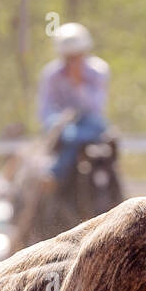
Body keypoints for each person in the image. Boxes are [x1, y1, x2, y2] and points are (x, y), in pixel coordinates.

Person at [37, 22, 110, 185]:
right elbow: (45, 107)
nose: (72, 62)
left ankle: (55, 174)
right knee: (68, 135)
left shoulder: (98, 70)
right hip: (61, 121)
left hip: (89, 122)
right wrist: (58, 121)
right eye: (69, 58)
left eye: (77, 56)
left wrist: (78, 84)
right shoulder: (51, 74)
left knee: (79, 136)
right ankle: (53, 176)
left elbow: (96, 107)